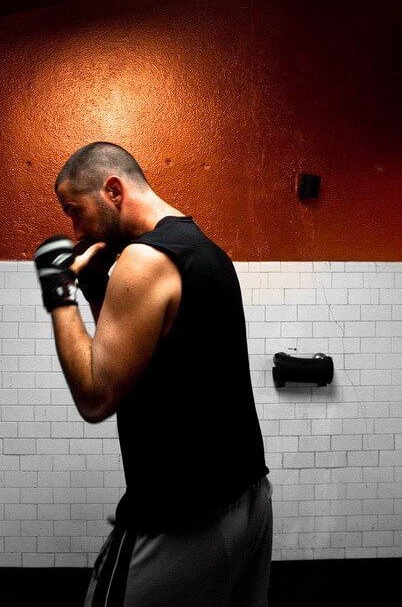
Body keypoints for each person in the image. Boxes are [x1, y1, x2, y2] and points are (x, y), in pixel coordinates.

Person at [33, 142, 271, 606]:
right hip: (247, 500)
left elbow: (97, 396)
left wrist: (57, 292)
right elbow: (131, 365)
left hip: (181, 521)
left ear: (114, 190)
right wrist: (97, 287)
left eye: (74, 210)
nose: (74, 228)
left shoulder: (145, 261)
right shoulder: (201, 249)